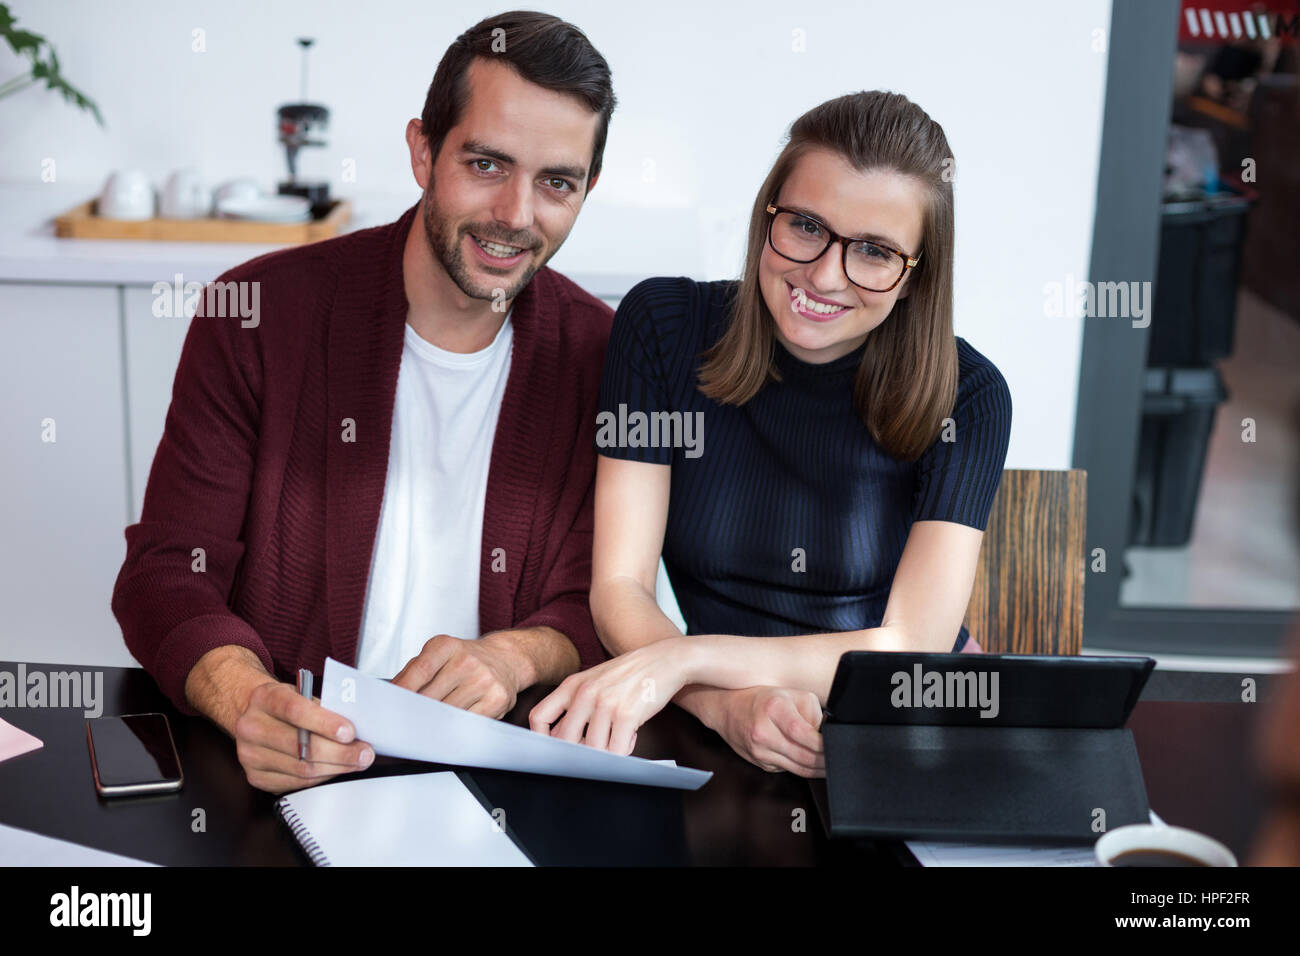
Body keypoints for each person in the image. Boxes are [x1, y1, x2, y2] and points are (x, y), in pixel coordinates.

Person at [111, 11, 617, 793]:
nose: (517, 215)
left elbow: (604, 601)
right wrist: (246, 699)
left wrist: (515, 657)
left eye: (557, 182)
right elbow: (169, 572)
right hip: (288, 774)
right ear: (422, 151)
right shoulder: (253, 314)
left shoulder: (603, 355)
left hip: (498, 778)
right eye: (486, 164)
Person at [530, 91, 1012, 777]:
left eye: (874, 251)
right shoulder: (662, 329)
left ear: (913, 278)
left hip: (885, 722)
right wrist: (723, 705)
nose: (823, 275)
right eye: (807, 226)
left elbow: (910, 646)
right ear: (768, 215)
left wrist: (685, 659)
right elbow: (619, 587)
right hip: (714, 722)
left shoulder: (970, 394)